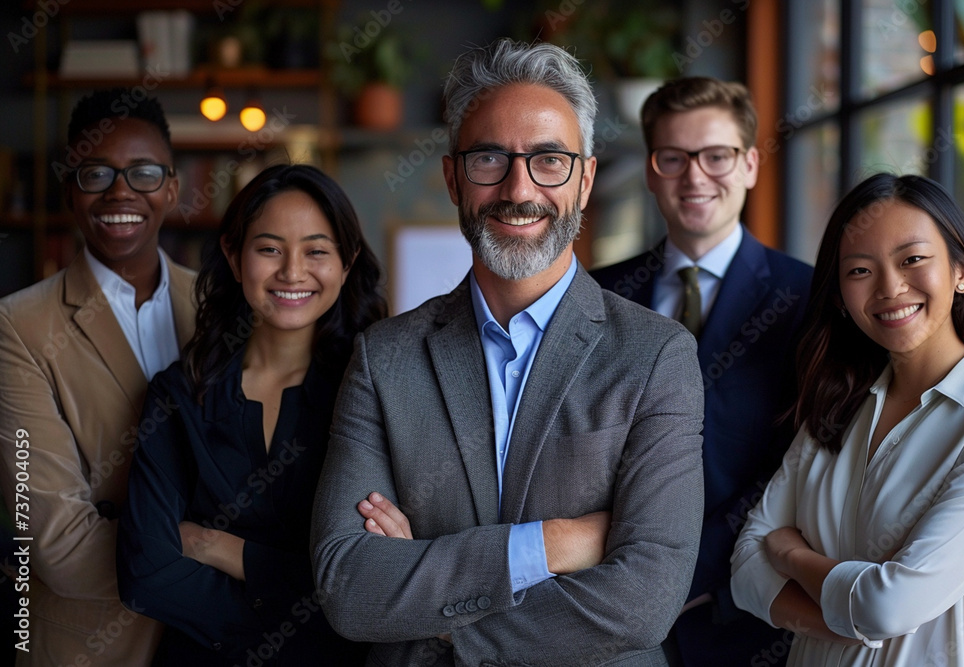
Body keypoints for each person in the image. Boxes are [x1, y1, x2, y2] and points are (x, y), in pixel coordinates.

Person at [310, 38, 704, 666]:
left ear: (585, 179)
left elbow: (645, 598)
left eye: (550, 160)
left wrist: (439, 620)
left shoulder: (657, 356)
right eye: (490, 158)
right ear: (452, 178)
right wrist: (554, 544)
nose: (519, 188)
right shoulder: (385, 358)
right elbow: (350, 586)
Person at [116, 164, 384, 665]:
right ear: (234, 258)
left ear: (346, 264)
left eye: (316, 251)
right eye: (269, 249)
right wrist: (312, 600)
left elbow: (374, 578)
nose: (292, 271)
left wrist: (218, 546)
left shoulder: (375, 396)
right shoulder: (178, 395)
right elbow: (145, 576)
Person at [730, 172, 964, 666]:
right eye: (859, 271)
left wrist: (792, 556)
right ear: (838, 296)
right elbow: (746, 572)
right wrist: (848, 623)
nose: (890, 288)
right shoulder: (837, 403)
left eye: (913, 259)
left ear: (963, 271)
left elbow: (889, 604)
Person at [591, 77, 812, 666]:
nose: (695, 177)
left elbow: (795, 465)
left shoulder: (807, 297)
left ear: (749, 165)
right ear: (650, 169)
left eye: (716, 156)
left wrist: (680, 573)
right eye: (674, 158)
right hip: (606, 615)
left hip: (746, 618)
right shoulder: (596, 297)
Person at [0, 88, 195, 666]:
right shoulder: (19, 326)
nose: (120, 192)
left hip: (213, 648)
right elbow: (54, 540)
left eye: (143, 172)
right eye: (97, 174)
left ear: (172, 188)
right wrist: (221, 558)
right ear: (69, 190)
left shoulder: (219, 304)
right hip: (88, 647)